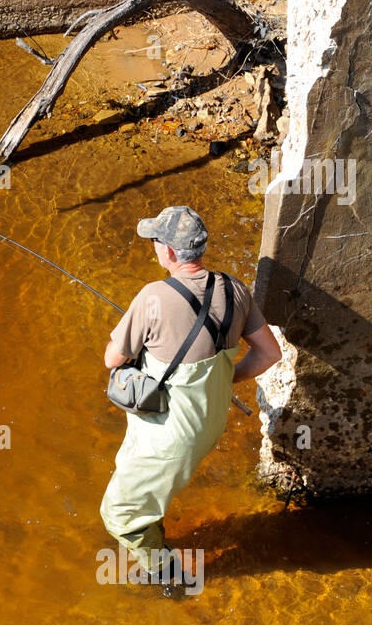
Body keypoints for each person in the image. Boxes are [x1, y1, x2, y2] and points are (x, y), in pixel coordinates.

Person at [99, 206, 282, 574]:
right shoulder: (235, 289)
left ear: (167, 251)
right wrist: (223, 378)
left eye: (155, 241)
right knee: (135, 479)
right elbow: (269, 353)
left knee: (119, 514)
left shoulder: (153, 296)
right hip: (209, 421)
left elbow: (112, 359)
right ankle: (150, 525)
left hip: (172, 433)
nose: (153, 247)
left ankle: (168, 577)